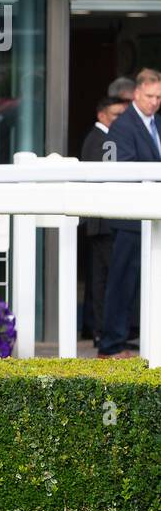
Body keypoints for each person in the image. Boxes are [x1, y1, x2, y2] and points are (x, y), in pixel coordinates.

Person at [98, 68, 161, 357]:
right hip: (130, 218)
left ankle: (129, 339)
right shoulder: (123, 126)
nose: (155, 101)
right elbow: (120, 169)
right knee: (122, 282)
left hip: (151, 218)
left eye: (159, 96)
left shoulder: (156, 123)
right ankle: (111, 344)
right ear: (136, 94)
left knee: (143, 284)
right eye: (150, 96)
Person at [78, 95, 128, 345]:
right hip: (104, 220)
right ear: (102, 115)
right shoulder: (104, 140)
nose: (120, 119)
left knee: (99, 277)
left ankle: (95, 329)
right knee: (105, 279)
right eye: (116, 114)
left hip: (98, 219)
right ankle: (101, 330)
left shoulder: (97, 138)